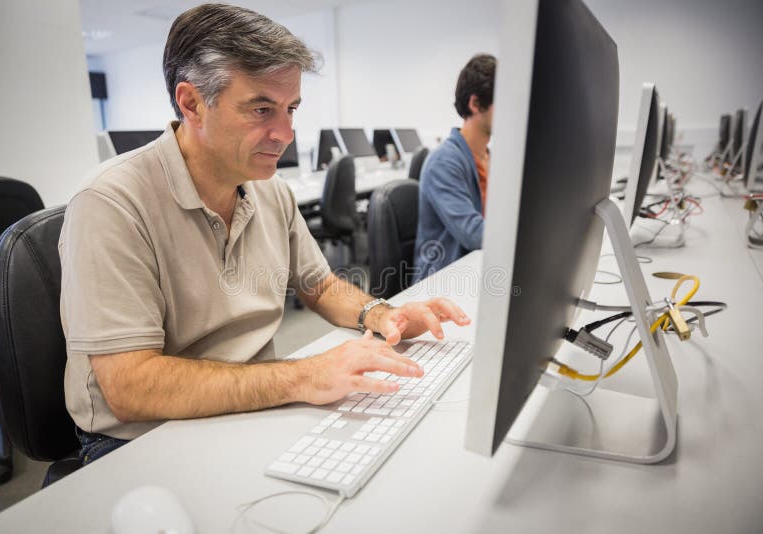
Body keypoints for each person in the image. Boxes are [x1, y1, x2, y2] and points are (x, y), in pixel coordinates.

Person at [59, 3, 471, 464]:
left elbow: (320, 286)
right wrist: (303, 376)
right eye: (261, 109)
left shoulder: (268, 190)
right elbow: (131, 388)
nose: (286, 132)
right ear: (191, 103)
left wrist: (382, 315)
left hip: (253, 402)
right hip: (142, 440)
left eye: (290, 108)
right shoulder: (111, 203)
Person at [413, 54, 496, 281]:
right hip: (445, 281)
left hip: (481, 267)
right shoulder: (444, 162)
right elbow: (474, 234)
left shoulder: (492, 158)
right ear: (475, 104)